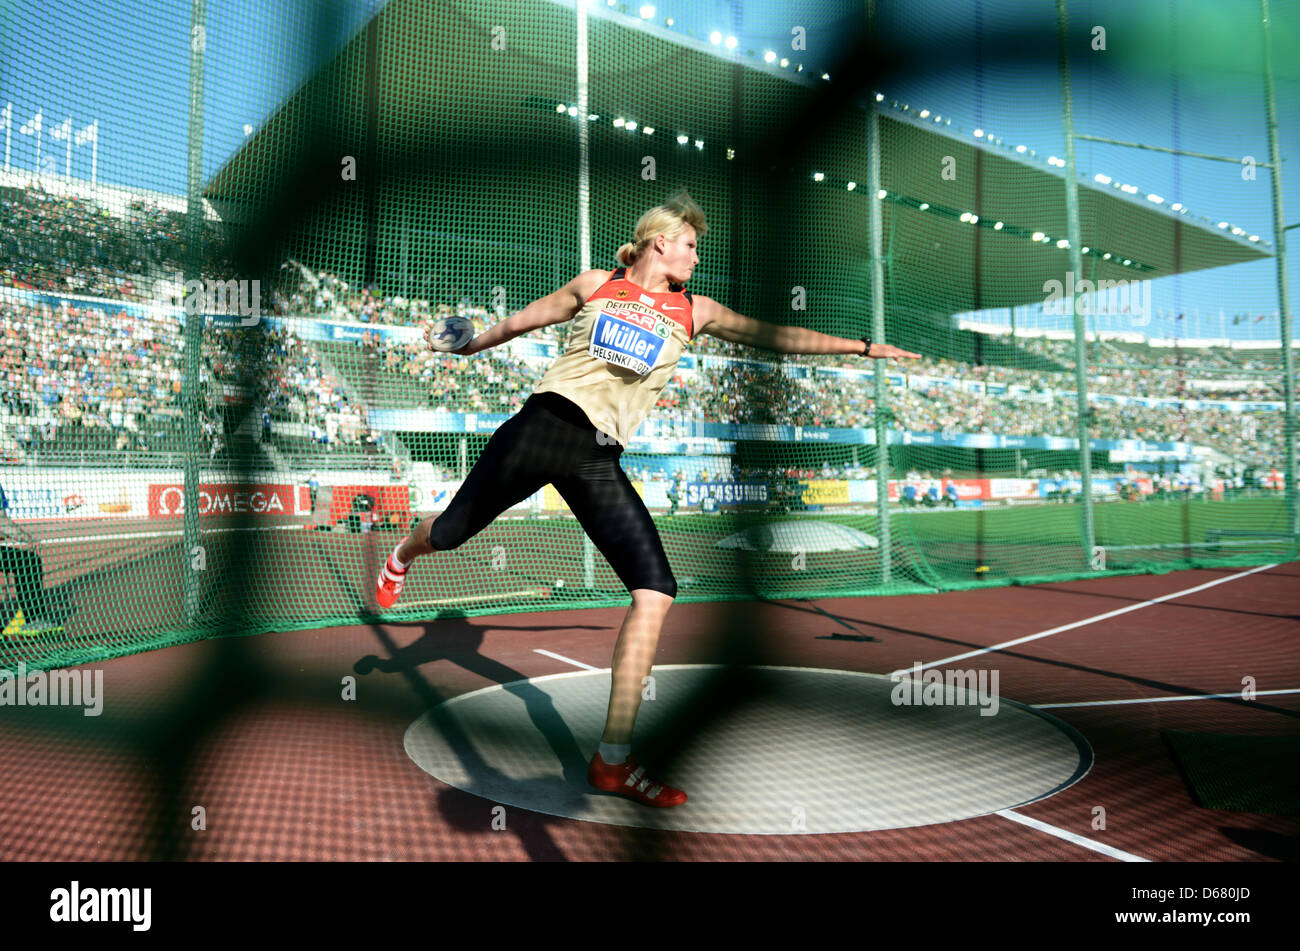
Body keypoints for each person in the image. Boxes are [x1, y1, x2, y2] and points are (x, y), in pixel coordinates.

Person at [374, 192, 920, 806]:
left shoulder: (698, 311)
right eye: (690, 244)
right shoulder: (594, 283)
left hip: (597, 458)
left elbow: (776, 335)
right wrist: (467, 344)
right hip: (540, 430)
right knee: (448, 534)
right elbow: (520, 322)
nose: (695, 256)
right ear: (661, 241)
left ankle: (612, 761)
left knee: (656, 591)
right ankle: (403, 554)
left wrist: (863, 347)